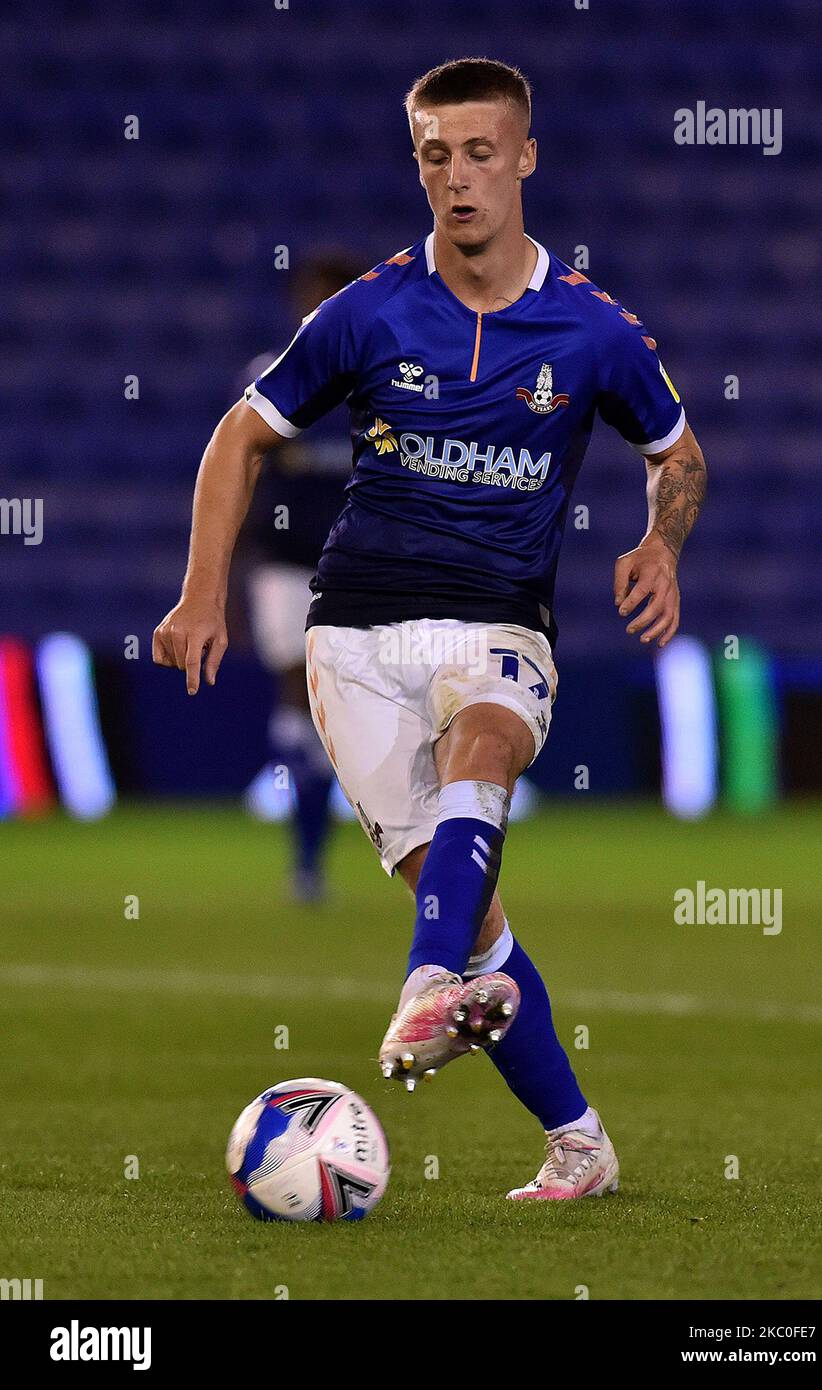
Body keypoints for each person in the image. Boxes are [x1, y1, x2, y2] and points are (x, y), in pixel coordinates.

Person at [154, 58, 707, 1201]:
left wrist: (661, 542)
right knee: (480, 929)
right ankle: (578, 1145)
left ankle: (419, 989)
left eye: (479, 152)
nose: (457, 178)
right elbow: (235, 437)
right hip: (351, 635)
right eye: (434, 155)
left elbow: (678, 455)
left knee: (487, 742)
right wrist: (201, 588)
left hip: (499, 619)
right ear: (418, 164)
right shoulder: (365, 310)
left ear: (524, 158)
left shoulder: (592, 330)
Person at [241, 255, 361, 901]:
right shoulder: (272, 376)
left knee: (348, 706)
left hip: (366, 566)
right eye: (313, 296)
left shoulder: (390, 380)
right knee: (300, 693)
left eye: (334, 296)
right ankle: (307, 858)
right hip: (289, 565)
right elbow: (242, 474)